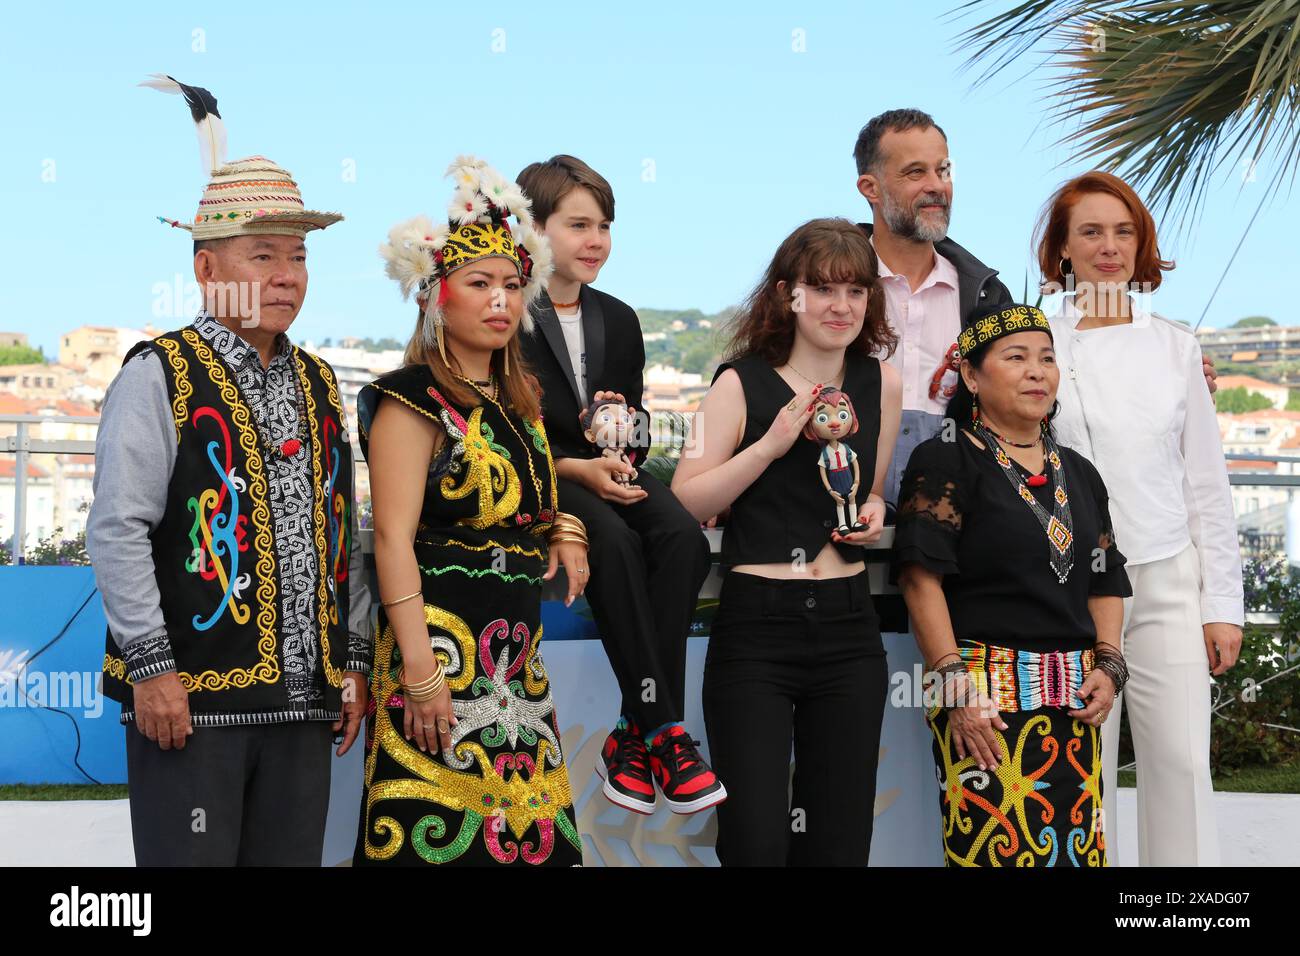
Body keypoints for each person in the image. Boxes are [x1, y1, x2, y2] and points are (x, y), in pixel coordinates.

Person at [89, 77, 370, 866]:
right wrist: (151, 670)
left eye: (299, 256)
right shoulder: (160, 373)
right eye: (264, 254)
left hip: (304, 710)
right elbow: (118, 527)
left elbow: (340, 534)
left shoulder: (320, 381)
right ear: (209, 270)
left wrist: (349, 665)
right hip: (189, 706)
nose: (287, 275)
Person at [353, 156, 585, 866]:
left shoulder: (523, 403)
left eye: (513, 286)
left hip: (518, 664)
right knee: (432, 839)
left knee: (532, 848)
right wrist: (421, 674)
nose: (501, 302)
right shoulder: (409, 399)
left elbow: (537, 502)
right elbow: (392, 539)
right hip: (437, 657)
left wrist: (566, 532)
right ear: (435, 297)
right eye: (479, 284)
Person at [672, 218, 902, 865]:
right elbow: (688, 498)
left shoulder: (882, 382)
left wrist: (875, 510)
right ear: (787, 296)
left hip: (849, 627)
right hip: (757, 629)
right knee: (755, 839)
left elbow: (870, 488)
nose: (841, 306)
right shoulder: (739, 383)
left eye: (855, 291)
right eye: (823, 289)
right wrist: (770, 444)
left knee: (839, 840)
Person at [1037, 171, 1243, 866]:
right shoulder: (1035, 344)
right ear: (1061, 248)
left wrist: (1222, 606)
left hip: (1164, 578)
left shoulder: (1176, 347)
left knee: (1182, 764)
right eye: (1091, 232)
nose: (1109, 247)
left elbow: (1206, 487)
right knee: (1079, 767)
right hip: (1066, 584)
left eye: (1124, 232)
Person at [516, 155, 723, 815]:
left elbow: (637, 428)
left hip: (612, 466)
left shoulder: (622, 318)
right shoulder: (505, 311)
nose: (596, 240)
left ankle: (632, 734)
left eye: (604, 225)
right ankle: (663, 728)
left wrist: (626, 428)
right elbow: (499, 427)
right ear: (534, 229)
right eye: (578, 225)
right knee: (612, 542)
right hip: (546, 472)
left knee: (682, 541)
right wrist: (578, 466)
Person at [893, 303, 1132, 867]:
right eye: (1016, 357)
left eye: (1047, 359)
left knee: (1075, 852)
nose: (1037, 371)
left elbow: (1104, 579)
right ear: (972, 377)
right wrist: (954, 687)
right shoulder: (945, 459)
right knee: (991, 849)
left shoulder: (1078, 470)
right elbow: (919, 577)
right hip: (981, 703)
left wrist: (1110, 663)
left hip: (1074, 703)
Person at [851, 108, 1014, 505]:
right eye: (915, 173)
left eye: (943, 170)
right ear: (870, 188)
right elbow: (766, 381)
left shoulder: (988, 297)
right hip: (833, 524)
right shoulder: (827, 287)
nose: (936, 186)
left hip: (955, 526)